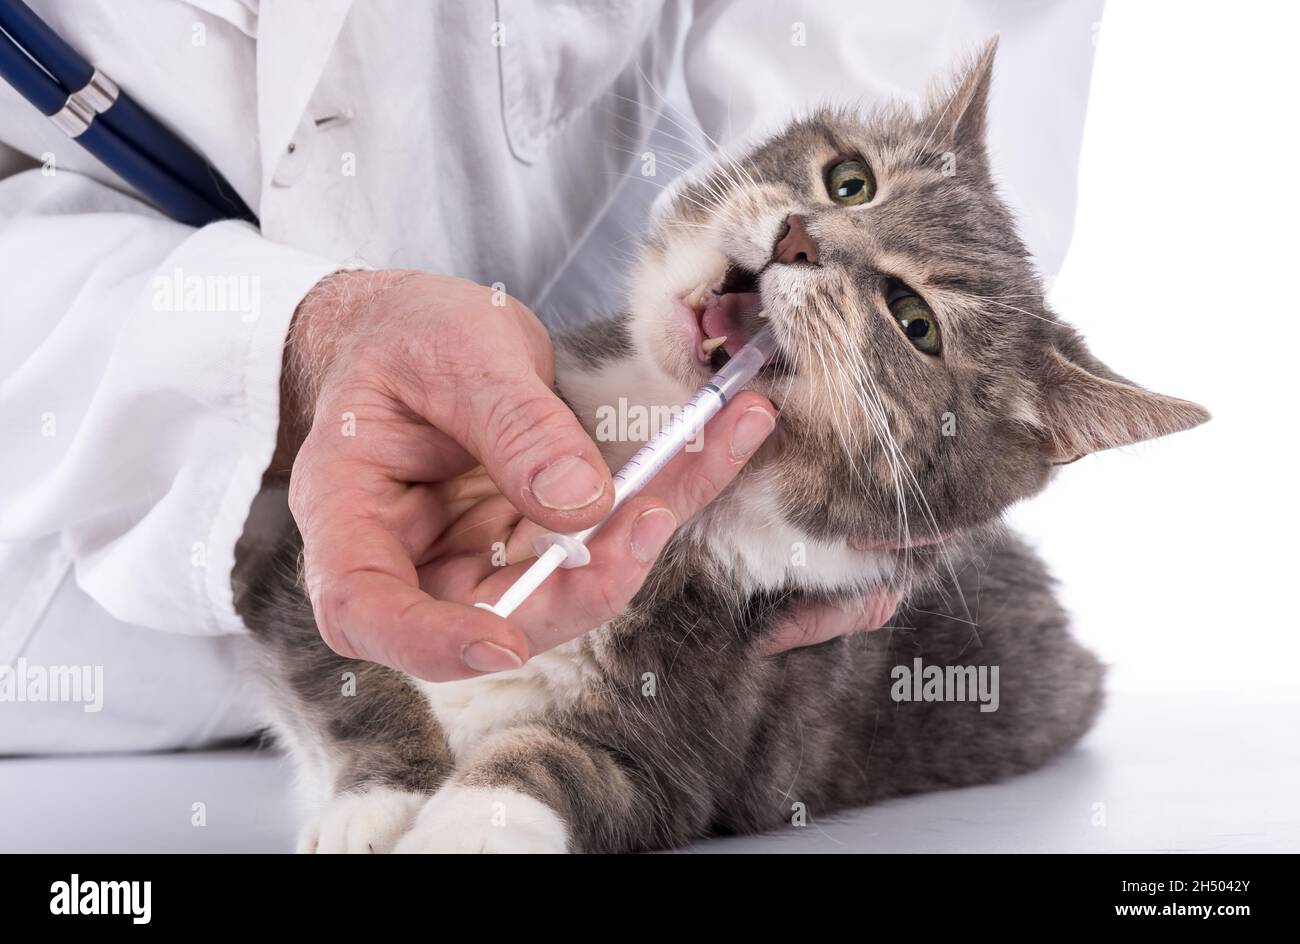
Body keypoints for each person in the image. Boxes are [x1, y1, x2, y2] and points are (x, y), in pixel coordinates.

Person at [0, 0, 1103, 753]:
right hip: (69, 625)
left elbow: (905, 56)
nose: (813, 245)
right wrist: (286, 346)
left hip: (599, 395)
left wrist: (923, 464)